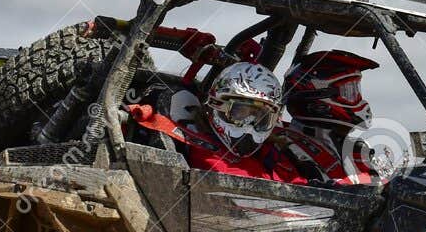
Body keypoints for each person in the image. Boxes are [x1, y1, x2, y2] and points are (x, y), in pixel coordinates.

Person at [127, 61, 307, 182]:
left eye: (260, 117)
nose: (250, 124)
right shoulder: (195, 144)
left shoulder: (273, 155)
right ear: (217, 105)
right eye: (241, 112)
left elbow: (301, 189)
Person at [277, 49, 381, 184]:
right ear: (317, 97)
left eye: (356, 90)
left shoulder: (355, 150)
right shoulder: (283, 149)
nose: (359, 100)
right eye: (349, 92)